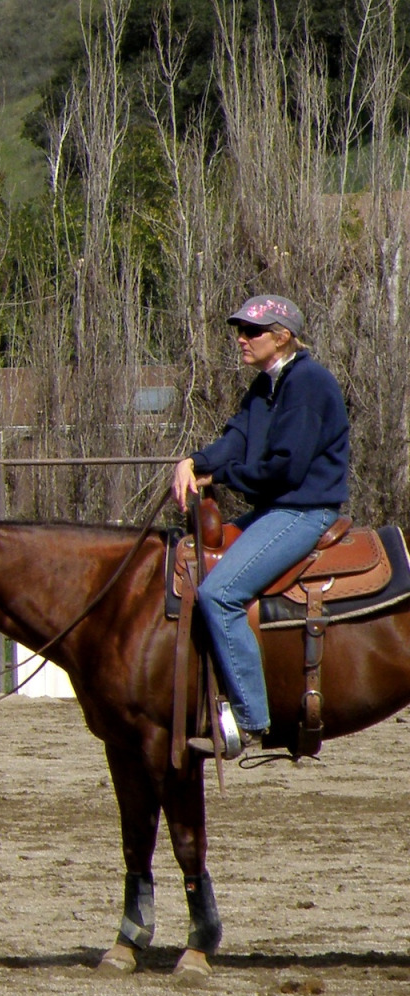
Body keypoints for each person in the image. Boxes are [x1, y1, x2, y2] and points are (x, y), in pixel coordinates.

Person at [171, 294, 349, 760]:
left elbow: (285, 469)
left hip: (303, 512)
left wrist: (220, 476)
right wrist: (194, 460)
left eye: (252, 331)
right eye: (240, 331)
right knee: (192, 564)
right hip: (276, 510)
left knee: (220, 594)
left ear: (283, 336)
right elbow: (238, 439)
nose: (241, 340)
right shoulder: (266, 385)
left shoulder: (308, 384)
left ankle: (251, 722)